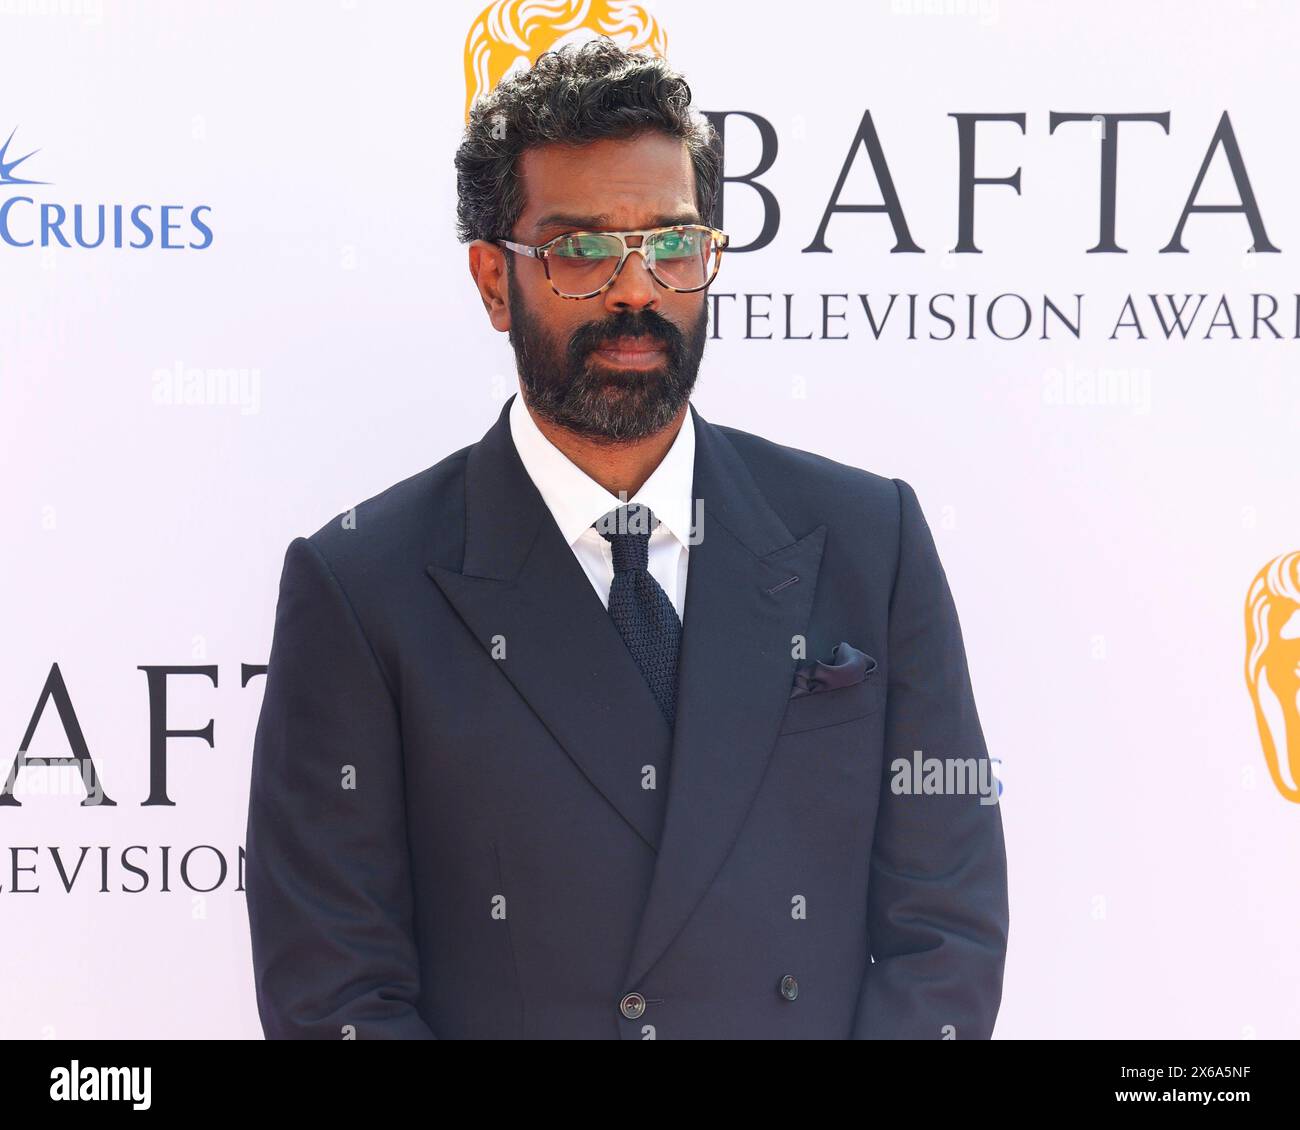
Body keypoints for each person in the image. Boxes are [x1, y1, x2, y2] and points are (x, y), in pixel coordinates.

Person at [244, 37, 1008, 1040]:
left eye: (672, 244)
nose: (637, 290)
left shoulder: (871, 539)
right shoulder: (361, 586)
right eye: (582, 252)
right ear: (490, 279)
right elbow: (333, 989)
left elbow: (943, 929)